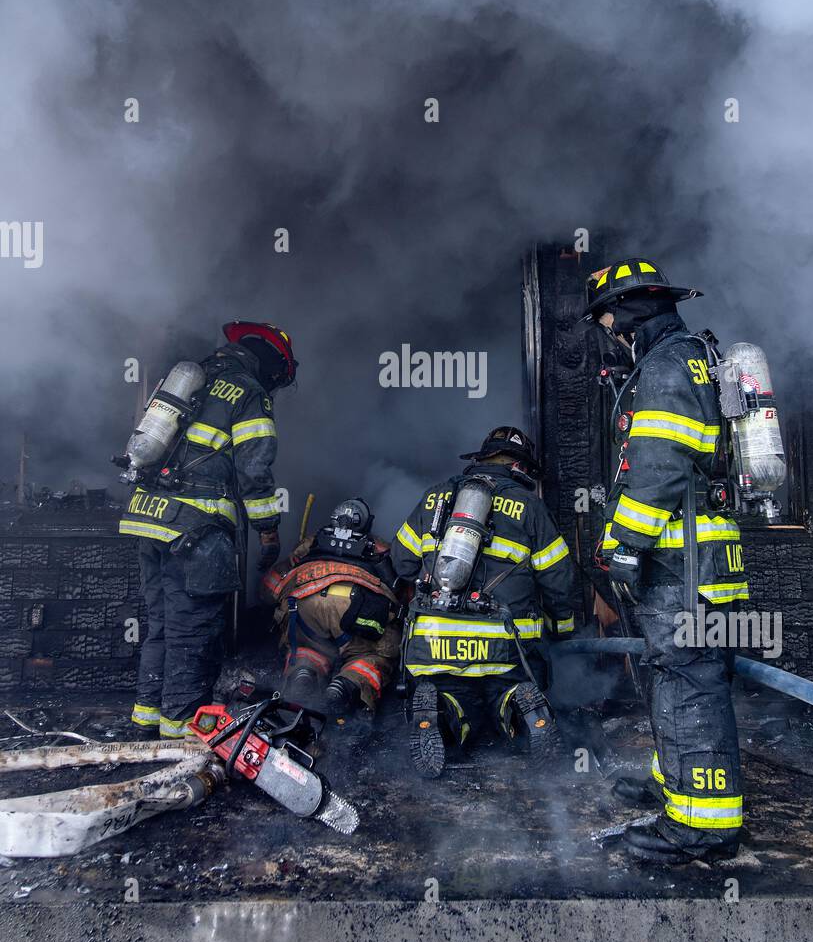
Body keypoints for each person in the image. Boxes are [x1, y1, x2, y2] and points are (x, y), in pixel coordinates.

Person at [584, 258, 746, 864]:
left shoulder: (666, 366)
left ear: (626, 311)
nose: (608, 333)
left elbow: (656, 470)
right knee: (677, 674)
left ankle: (703, 826)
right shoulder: (694, 354)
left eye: (607, 319)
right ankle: (676, 783)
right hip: (699, 559)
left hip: (683, 565)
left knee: (688, 680)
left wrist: (623, 545)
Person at [121, 321, 296, 738]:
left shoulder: (189, 380)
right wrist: (268, 532)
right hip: (194, 530)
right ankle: (182, 733)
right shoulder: (248, 393)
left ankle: (147, 719)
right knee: (192, 631)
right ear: (270, 368)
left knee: (161, 624)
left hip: (148, 516)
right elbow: (254, 471)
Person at [392, 426, 575, 777]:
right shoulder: (530, 508)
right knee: (502, 694)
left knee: (454, 697)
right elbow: (559, 579)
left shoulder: (435, 497)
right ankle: (523, 711)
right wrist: (562, 627)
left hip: (433, 645)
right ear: (520, 467)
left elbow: (401, 563)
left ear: (481, 460)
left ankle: (438, 713)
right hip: (506, 646)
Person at [263, 498, 401, 715]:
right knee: (369, 654)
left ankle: (305, 671)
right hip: (355, 607)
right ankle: (346, 685)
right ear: (367, 523)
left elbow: (270, 583)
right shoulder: (380, 547)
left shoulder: (311, 543)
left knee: (310, 647)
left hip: (303, 602)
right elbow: (401, 589)